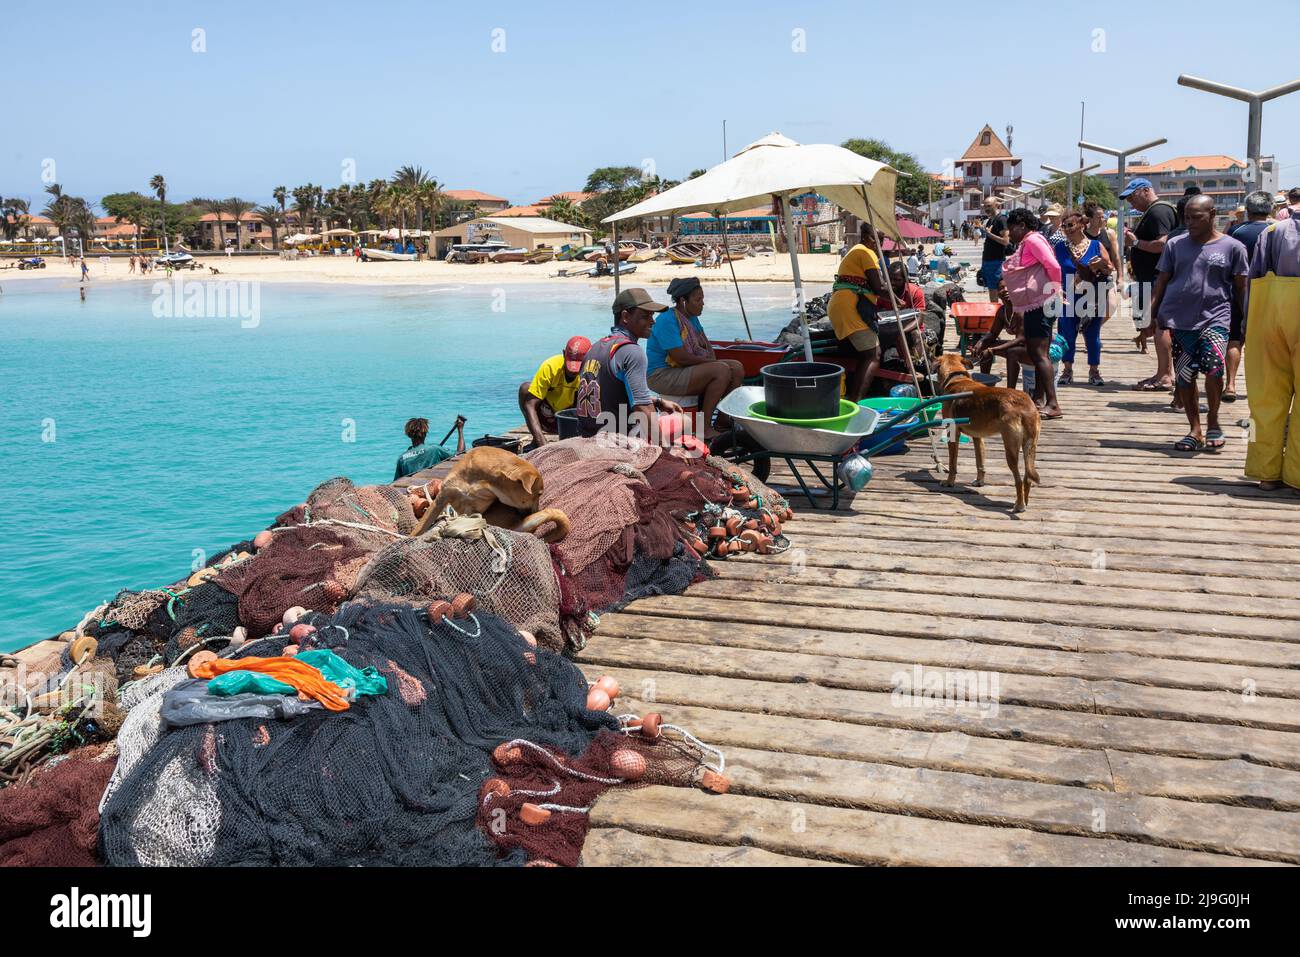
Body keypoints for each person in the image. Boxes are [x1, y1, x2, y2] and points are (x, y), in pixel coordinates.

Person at [1150, 195, 1248, 453]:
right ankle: (1194, 429)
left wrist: (1246, 318)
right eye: (1187, 218)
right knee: (1184, 376)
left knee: (1214, 368)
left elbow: (1240, 287)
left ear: (1213, 214)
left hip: (1216, 317)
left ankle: (1213, 420)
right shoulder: (1175, 244)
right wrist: (1152, 313)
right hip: (1180, 320)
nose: (1190, 222)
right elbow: (1162, 280)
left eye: (1197, 217)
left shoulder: (1233, 247)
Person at [575, 288, 683, 439]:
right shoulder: (632, 352)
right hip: (616, 440)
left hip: (587, 435)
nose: (652, 321)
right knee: (683, 421)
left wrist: (658, 401)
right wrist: (664, 449)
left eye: (652, 315)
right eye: (646, 316)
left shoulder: (595, 348)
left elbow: (607, 395)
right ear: (625, 316)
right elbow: (642, 408)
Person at [645, 276, 743, 440]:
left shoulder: (692, 319)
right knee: (721, 370)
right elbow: (682, 358)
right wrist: (715, 364)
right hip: (661, 375)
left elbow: (706, 345)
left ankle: (722, 420)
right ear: (683, 301)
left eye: (702, 299)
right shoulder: (667, 320)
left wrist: (714, 361)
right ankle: (703, 428)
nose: (702, 303)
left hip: (682, 371)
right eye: (698, 300)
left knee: (737, 367)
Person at [1244, 213, 1300, 490]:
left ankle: (1265, 473)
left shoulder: (1272, 231)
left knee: (1264, 399)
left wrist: (1246, 323)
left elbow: (1253, 281)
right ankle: (1297, 476)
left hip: (1268, 315)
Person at [992, 207, 1063, 417]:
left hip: (1042, 302)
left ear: (1022, 225)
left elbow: (1053, 266)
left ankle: (1053, 403)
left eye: (1011, 228)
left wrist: (1055, 289)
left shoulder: (1033, 240)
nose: (1009, 233)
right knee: (1038, 352)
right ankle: (1039, 399)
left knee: (1038, 353)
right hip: (1039, 303)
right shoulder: (1030, 241)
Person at [1122, 177, 1179, 391]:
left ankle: (1165, 375)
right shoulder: (1155, 211)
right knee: (1155, 325)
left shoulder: (1158, 212)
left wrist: (1135, 242)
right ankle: (1164, 372)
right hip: (1153, 278)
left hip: (1158, 280)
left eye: (1132, 196)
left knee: (1159, 326)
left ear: (1146, 191)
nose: (1130, 202)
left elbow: (1162, 244)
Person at [828, 224, 893, 401]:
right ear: (865, 237)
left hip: (843, 304)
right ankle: (855, 400)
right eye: (876, 239)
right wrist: (898, 301)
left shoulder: (857, 250)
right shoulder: (866, 252)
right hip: (849, 307)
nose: (879, 243)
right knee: (873, 354)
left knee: (866, 353)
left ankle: (853, 395)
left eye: (881, 240)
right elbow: (878, 287)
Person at [1224, 190, 1275, 402]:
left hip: (1237, 291)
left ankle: (1230, 384)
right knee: (1267, 343)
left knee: (1234, 339)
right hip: (1268, 294)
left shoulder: (1236, 232)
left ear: (1248, 210)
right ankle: (1264, 387)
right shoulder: (1275, 231)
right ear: (1270, 209)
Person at [1053, 211, 1114, 386]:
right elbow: (1053, 270)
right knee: (1066, 334)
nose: (1066, 229)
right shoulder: (1059, 248)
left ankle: (1094, 371)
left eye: (1070, 225)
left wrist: (1099, 265)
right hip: (1068, 296)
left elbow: (1109, 268)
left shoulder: (1096, 245)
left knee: (1093, 334)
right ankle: (1067, 370)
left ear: (1082, 225)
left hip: (1092, 296)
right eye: (1064, 226)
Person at [517, 335, 591, 448]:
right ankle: (536, 440)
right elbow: (530, 405)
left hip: (570, 420)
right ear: (563, 353)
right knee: (525, 389)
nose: (573, 371)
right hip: (549, 417)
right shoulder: (550, 367)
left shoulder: (590, 371)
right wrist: (543, 445)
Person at [393, 416, 466, 480]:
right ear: (425, 434)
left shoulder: (402, 458)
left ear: (408, 435)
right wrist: (460, 429)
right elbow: (460, 454)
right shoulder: (434, 449)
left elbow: (397, 481)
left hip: (410, 488)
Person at [978, 198, 1012, 302]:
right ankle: (996, 314)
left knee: (997, 292)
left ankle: (997, 315)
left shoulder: (1001, 219)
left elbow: (1006, 241)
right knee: (991, 290)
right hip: (988, 261)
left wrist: (989, 234)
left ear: (996, 205)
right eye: (985, 206)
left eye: (989, 206)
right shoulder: (990, 220)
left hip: (996, 261)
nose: (986, 208)